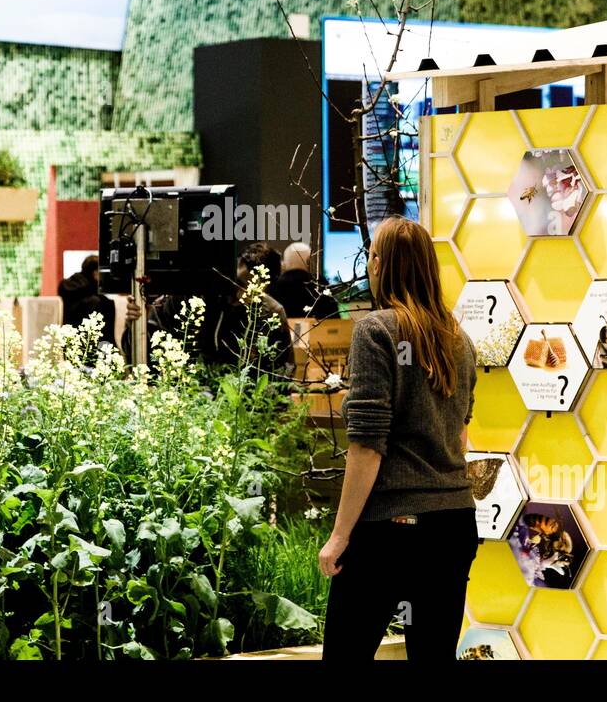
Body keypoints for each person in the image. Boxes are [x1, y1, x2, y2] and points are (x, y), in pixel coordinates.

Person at [318, 216, 478, 661]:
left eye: (372, 256)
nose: (369, 265)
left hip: (391, 529)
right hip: (453, 524)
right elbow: (460, 436)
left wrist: (339, 535)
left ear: (382, 265)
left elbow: (367, 446)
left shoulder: (377, 331)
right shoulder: (459, 339)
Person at [147, 242, 293, 375]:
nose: (242, 295)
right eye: (239, 284)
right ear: (236, 265)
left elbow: (282, 371)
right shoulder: (196, 296)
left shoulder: (271, 313)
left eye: (252, 292)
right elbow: (153, 332)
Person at [57, 254, 140, 355]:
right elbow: (105, 337)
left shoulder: (69, 287)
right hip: (93, 353)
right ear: (95, 273)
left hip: (71, 346)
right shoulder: (98, 302)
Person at [267, 241, 337, 319]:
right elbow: (334, 317)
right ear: (308, 261)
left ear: (285, 261)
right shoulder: (319, 282)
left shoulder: (275, 285)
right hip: (318, 330)